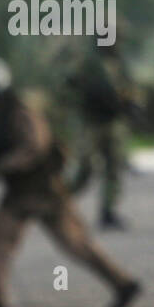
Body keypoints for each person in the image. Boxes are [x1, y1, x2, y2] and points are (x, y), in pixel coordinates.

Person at [0, 55, 141, 307]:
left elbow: (35, 146)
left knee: (76, 244)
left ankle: (124, 283)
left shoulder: (18, 111)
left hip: (42, 190)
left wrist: (3, 165)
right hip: (22, 192)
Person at [63, 41, 142, 229]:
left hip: (113, 121)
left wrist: (131, 102)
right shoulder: (88, 61)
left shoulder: (119, 62)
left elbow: (129, 86)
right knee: (85, 167)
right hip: (91, 121)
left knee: (114, 167)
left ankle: (108, 211)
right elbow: (69, 83)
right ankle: (58, 202)